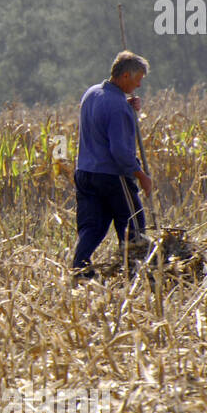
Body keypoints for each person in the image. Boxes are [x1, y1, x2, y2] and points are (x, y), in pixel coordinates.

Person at [72, 51, 153, 275]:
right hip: (112, 177)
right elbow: (120, 152)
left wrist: (127, 106)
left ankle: (80, 269)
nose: (138, 86)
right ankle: (134, 275)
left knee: (93, 227)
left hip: (85, 173)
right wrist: (141, 176)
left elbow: (103, 116)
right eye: (137, 80)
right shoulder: (117, 106)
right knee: (134, 229)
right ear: (125, 75)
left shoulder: (92, 93)